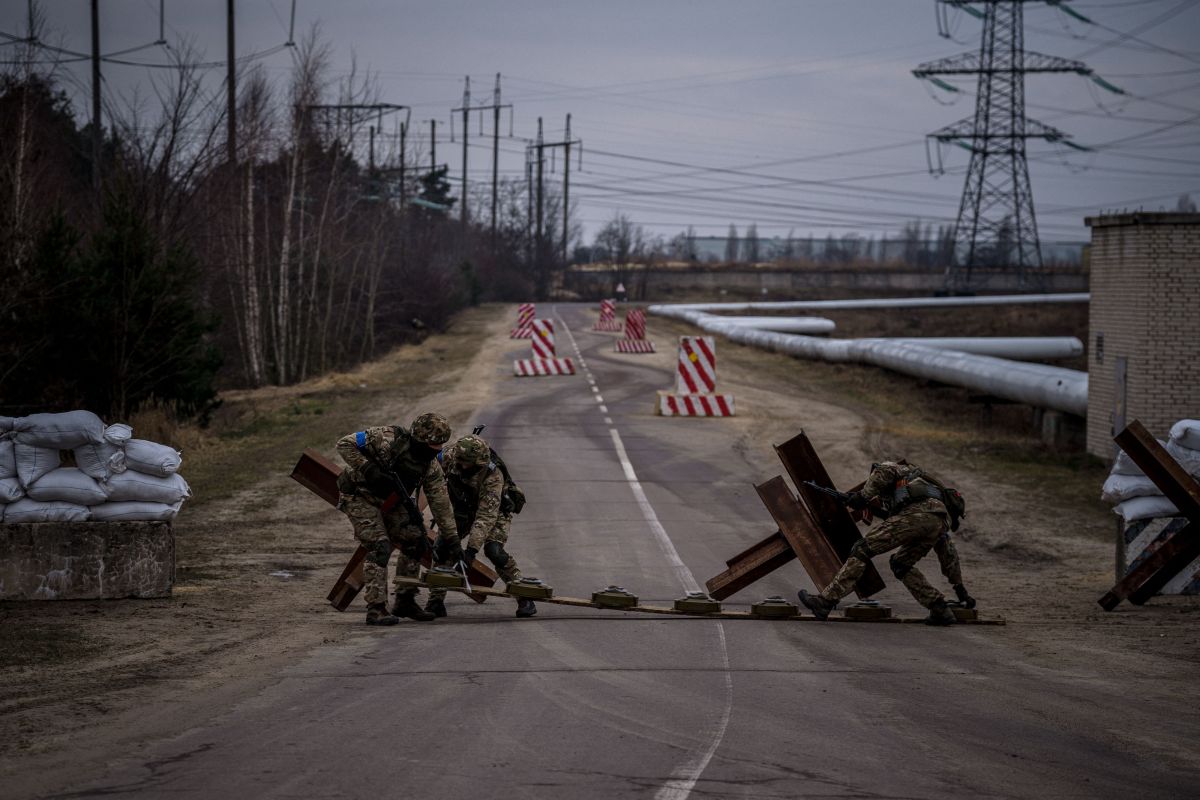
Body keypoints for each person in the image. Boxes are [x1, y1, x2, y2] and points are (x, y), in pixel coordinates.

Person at [797, 461, 974, 626]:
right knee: (901, 564)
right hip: (923, 522)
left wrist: (862, 496)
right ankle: (939, 608)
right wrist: (960, 589)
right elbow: (948, 554)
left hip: (915, 516)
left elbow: (884, 470)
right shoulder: (938, 513)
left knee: (862, 549)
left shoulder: (908, 479)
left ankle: (825, 601)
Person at [336, 413, 461, 625]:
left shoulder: (429, 466)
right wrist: (367, 467)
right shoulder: (387, 438)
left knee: (415, 539)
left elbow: (441, 503)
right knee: (380, 546)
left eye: (441, 444)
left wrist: (452, 539)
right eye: (434, 444)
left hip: (392, 499)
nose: (439, 450)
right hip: (360, 495)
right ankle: (376, 608)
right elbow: (344, 443)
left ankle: (405, 600)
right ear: (420, 439)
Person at [427, 433, 535, 619]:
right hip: (463, 508)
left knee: (494, 550)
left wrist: (470, 552)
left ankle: (524, 597)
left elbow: (486, 516)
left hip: (496, 511)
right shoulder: (448, 458)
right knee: (442, 546)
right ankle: (435, 600)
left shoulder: (492, 474)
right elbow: (429, 479)